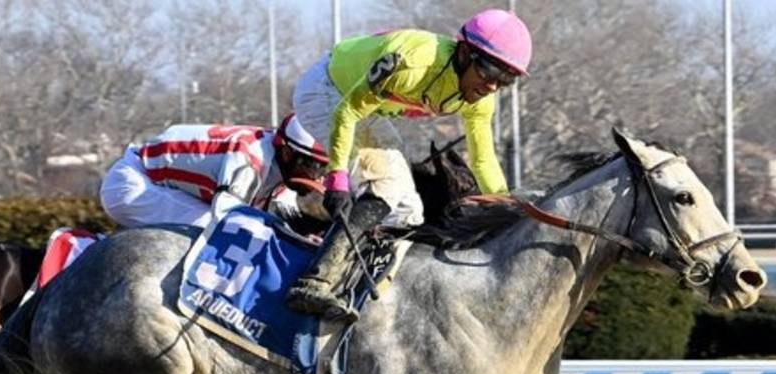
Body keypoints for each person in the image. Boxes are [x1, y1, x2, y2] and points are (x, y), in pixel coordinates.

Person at [285, 8, 532, 321]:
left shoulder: (483, 98)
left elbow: (483, 157)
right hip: (327, 90)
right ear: (465, 53)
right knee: (386, 182)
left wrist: (507, 207)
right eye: (489, 72)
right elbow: (346, 113)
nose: (492, 86)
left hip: (362, 108)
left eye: (505, 80)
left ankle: (353, 275)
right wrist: (337, 177)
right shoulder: (411, 63)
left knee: (408, 209)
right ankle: (315, 281)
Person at [99, 113, 329, 230]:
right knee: (213, 227)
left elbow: (286, 221)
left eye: (323, 166)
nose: (316, 176)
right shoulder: (251, 157)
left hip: (160, 186)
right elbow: (230, 218)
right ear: (288, 153)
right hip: (133, 184)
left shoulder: (281, 165)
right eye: (313, 165)